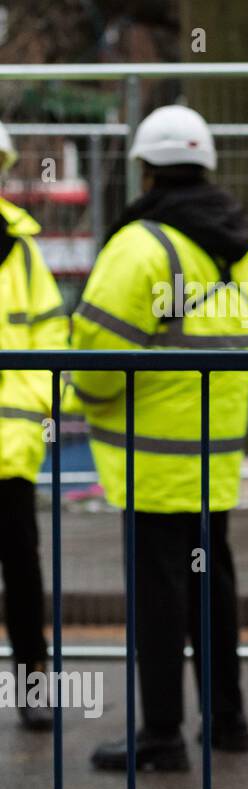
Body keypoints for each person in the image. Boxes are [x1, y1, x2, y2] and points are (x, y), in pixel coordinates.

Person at [67, 105, 248, 771]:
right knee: (212, 591)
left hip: (152, 466)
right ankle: (229, 723)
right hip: (216, 461)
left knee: (159, 603)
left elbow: (95, 363)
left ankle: (161, 737)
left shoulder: (140, 247)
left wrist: (88, 400)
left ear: (146, 169)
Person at [0, 121, 69, 731]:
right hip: (15, 439)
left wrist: (39, 409)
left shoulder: (21, 251)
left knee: (21, 574)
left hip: (10, 446)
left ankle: (33, 687)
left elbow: (50, 336)